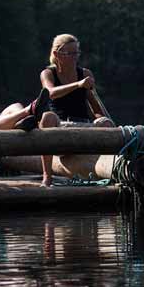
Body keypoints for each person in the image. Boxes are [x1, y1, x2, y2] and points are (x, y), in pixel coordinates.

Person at [38, 34, 114, 186]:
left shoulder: (85, 74)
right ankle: (47, 176)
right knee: (47, 117)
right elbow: (51, 92)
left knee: (106, 122)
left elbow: (96, 107)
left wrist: (104, 121)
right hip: (60, 129)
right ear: (56, 54)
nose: (75, 57)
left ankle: (111, 171)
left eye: (76, 53)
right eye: (70, 53)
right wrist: (78, 85)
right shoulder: (48, 73)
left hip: (83, 128)